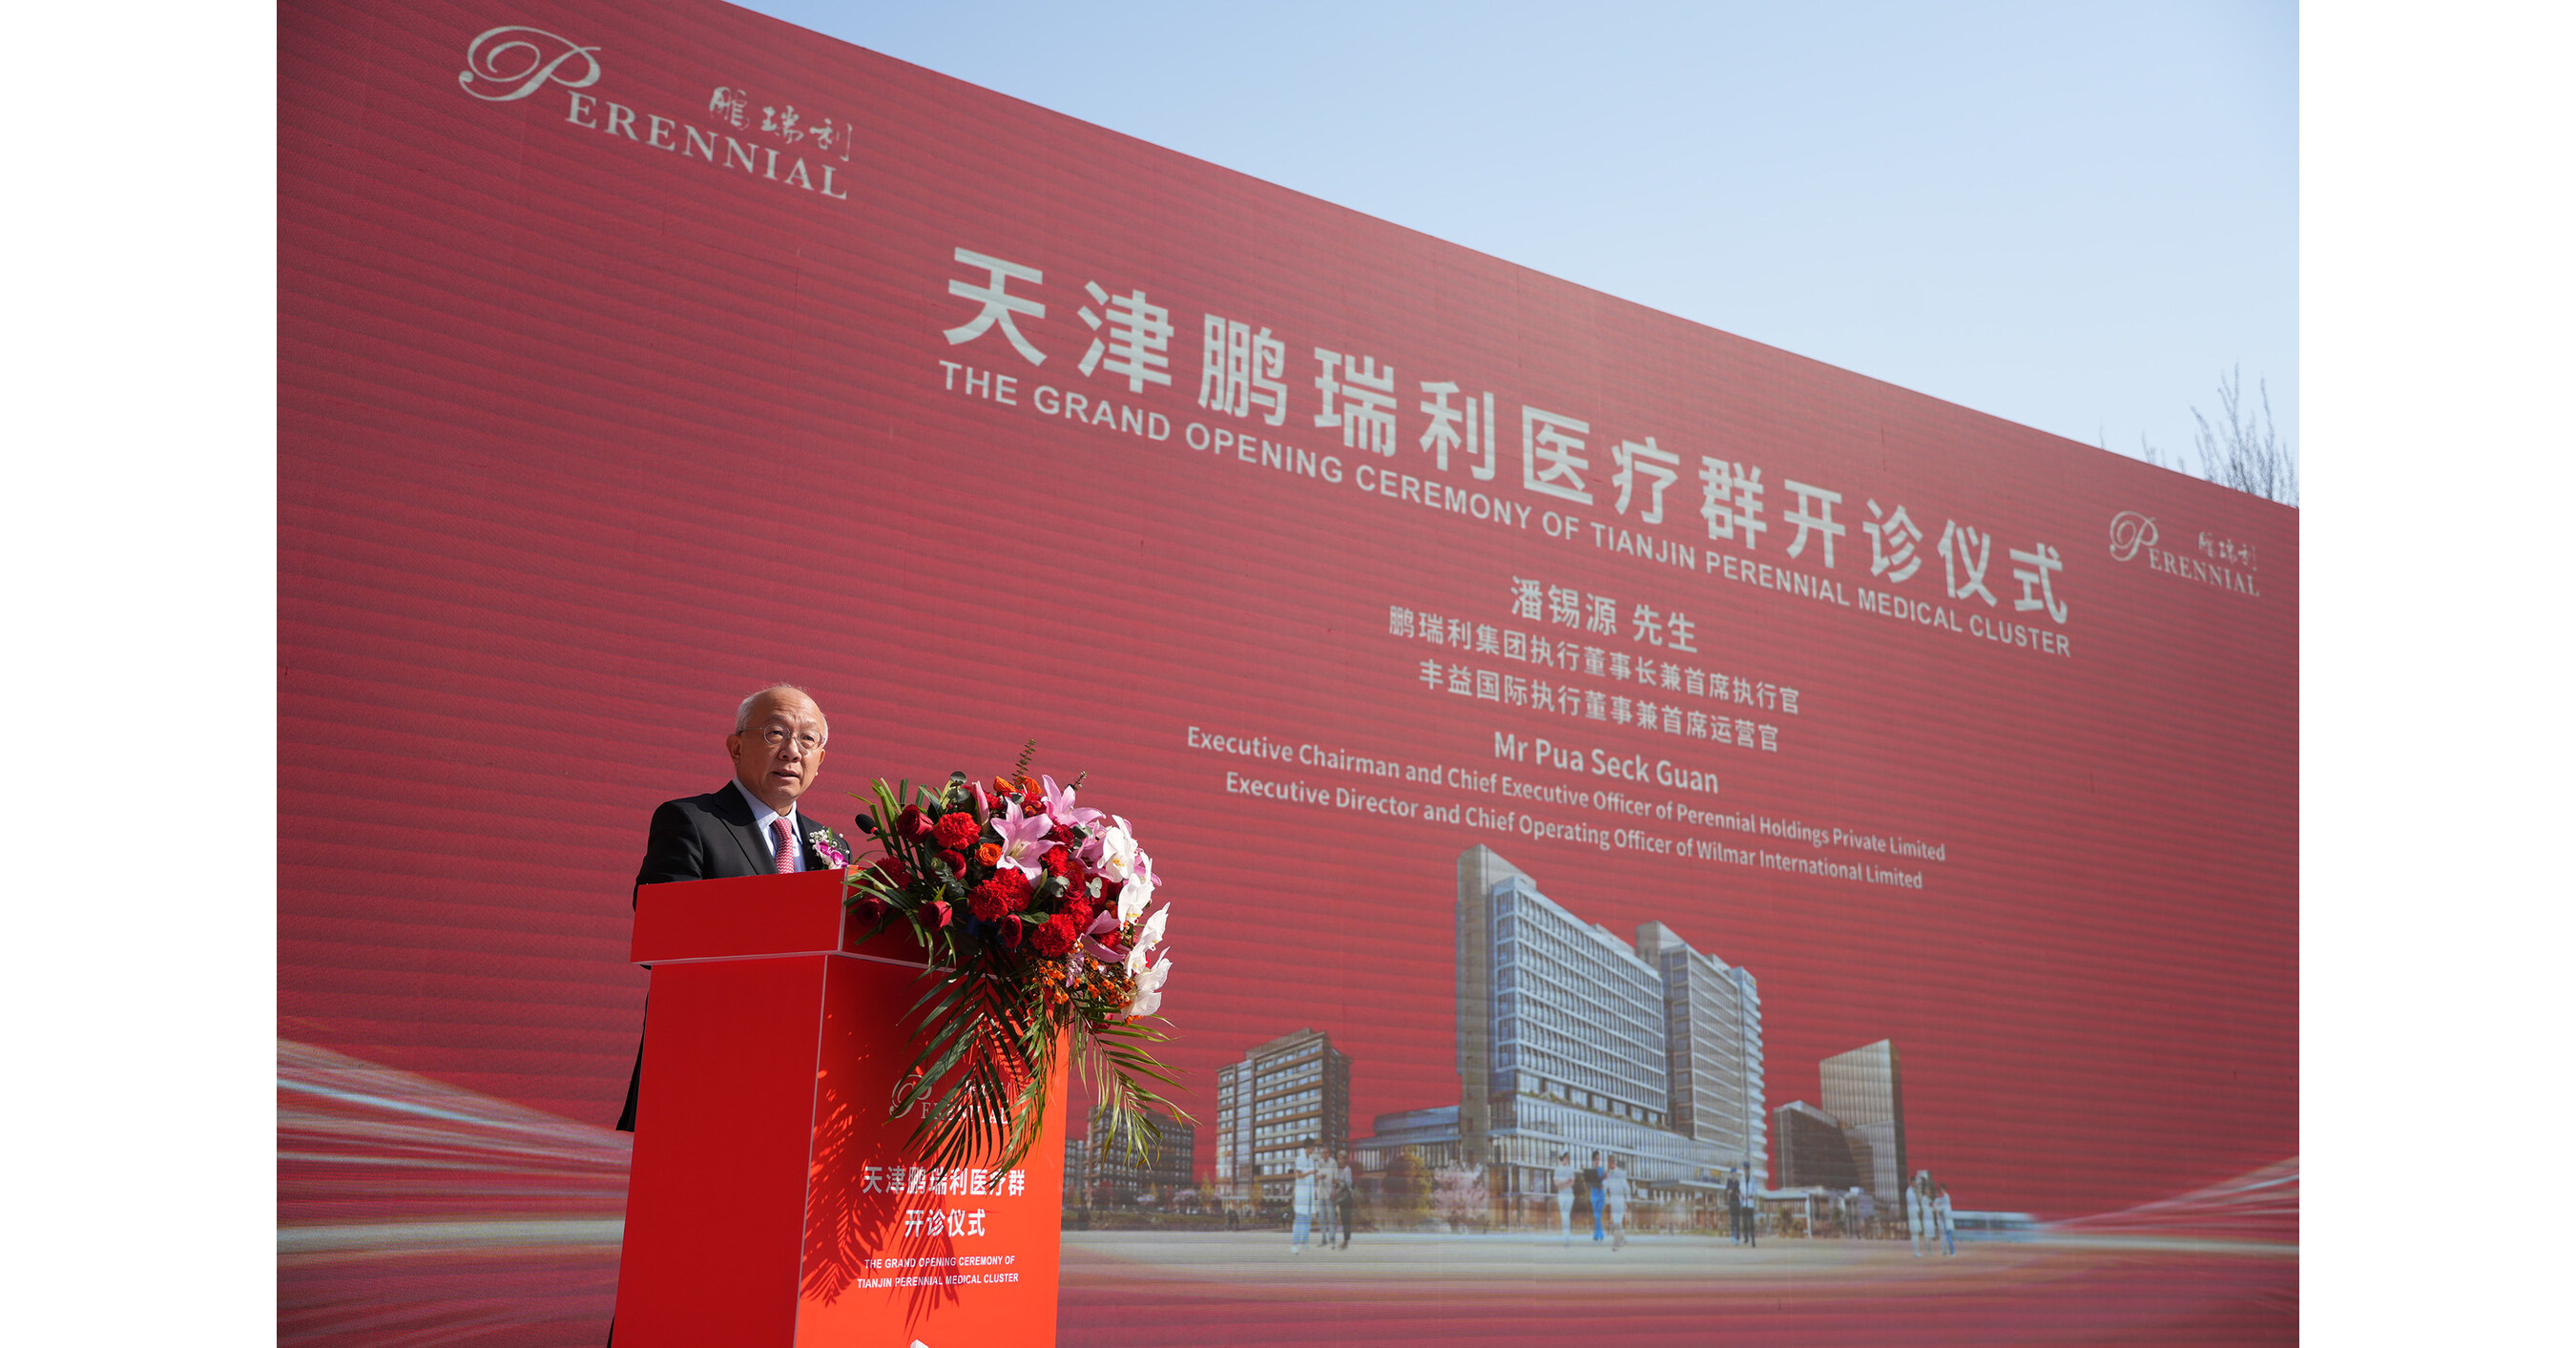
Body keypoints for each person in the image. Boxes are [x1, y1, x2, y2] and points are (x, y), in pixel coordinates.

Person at [616, 685, 845, 1133]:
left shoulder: (833, 846)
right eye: (776, 733)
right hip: (702, 1063)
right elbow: (661, 932)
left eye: (808, 740)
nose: (792, 752)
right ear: (736, 746)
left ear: (822, 759)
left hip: (799, 1077)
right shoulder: (692, 821)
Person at [1291, 1145, 1318, 1254]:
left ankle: (1304, 1243)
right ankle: (1295, 1244)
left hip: (1309, 1194)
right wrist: (1310, 1172)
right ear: (1307, 1147)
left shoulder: (1311, 1160)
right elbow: (1299, 1175)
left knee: (1307, 1219)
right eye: (1311, 1148)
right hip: (1302, 1194)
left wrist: (1318, 1176)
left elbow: (1312, 1176)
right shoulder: (1299, 1159)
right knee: (1300, 1219)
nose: (1313, 1150)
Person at [1604, 1156, 1631, 1251]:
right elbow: (1605, 1187)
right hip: (1613, 1200)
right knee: (1617, 1222)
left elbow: (1626, 1188)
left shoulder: (1620, 1173)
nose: (1611, 1163)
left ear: (1615, 1163)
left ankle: (1617, 1244)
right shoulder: (1608, 1175)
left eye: (1613, 1161)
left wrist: (1628, 1201)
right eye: (1610, 1162)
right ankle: (1622, 1239)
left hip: (1620, 1199)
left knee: (1617, 1222)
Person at [1552, 1150, 1577, 1245]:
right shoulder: (1557, 1169)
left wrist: (1564, 1184)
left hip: (1569, 1195)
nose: (1567, 1160)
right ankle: (1565, 1236)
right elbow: (1556, 1183)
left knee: (1567, 1215)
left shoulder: (1570, 1169)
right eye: (1565, 1158)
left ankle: (1567, 1237)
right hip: (1561, 1195)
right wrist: (1565, 1181)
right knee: (1564, 1216)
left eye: (1568, 1158)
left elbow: (1572, 1182)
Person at [1334, 1151, 1355, 1249]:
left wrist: (1338, 1182)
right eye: (1338, 1158)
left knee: (1346, 1219)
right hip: (1341, 1198)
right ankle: (1345, 1239)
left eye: (1341, 1158)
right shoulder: (1339, 1170)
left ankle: (1346, 1241)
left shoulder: (1347, 1170)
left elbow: (1348, 1184)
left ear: (1345, 1159)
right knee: (1343, 1219)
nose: (1339, 1160)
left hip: (1347, 1198)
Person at [1588, 1151, 1607, 1242]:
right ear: (1593, 1160)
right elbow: (1589, 1184)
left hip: (1601, 1195)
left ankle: (1597, 1236)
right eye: (1596, 1159)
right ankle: (1599, 1235)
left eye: (1599, 1159)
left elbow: (1605, 1182)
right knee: (1596, 1216)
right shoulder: (1591, 1171)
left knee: (1598, 1215)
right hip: (1594, 1195)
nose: (1597, 1161)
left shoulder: (1602, 1170)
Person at [1934, 1180, 1957, 1256]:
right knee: (1947, 1236)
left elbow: (1941, 1208)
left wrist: (1935, 1207)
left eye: (1941, 1189)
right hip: (1946, 1220)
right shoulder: (1944, 1197)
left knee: (1949, 1236)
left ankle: (1953, 1252)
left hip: (1948, 1220)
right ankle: (1951, 1252)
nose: (1940, 1191)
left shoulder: (1946, 1197)